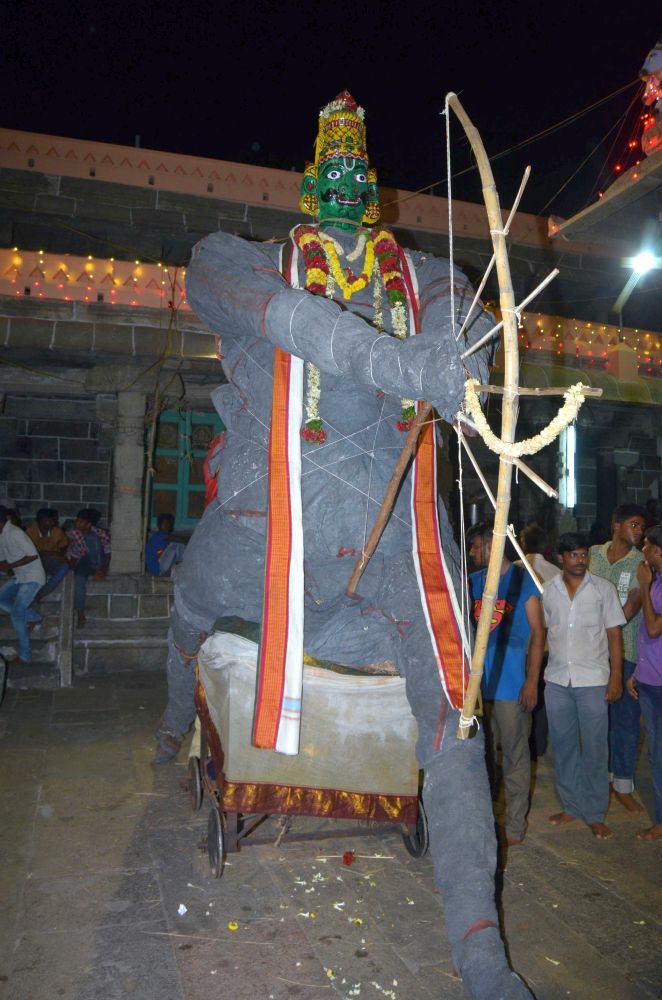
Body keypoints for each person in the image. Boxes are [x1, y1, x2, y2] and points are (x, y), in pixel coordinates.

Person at [156, 92, 532, 998]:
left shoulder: (428, 275)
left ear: (376, 189)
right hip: (263, 522)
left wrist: (463, 364)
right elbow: (278, 313)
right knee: (192, 602)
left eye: (357, 172)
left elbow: (469, 327)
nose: (344, 185)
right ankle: (170, 723)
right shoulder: (240, 257)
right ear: (306, 185)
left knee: (455, 713)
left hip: (395, 531)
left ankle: (481, 950)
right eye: (329, 172)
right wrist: (397, 363)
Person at [543, 532, 625, 839]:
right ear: (561, 558)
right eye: (573, 555)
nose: (580, 560)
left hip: (593, 681)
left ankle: (594, 812)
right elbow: (543, 633)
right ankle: (571, 805)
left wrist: (616, 676)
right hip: (557, 680)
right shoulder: (548, 591)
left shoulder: (603, 590)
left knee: (594, 748)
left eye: (583, 555)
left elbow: (614, 635)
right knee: (563, 747)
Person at [468, 523, 545, 846]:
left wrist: (532, 681)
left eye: (476, 546)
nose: (472, 552)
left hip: (511, 685)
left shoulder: (522, 580)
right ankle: (485, 820)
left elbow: (539, 633)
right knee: (482, 757)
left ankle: (514, 825)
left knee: (514, 756)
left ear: (491, 544)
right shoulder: (474, 582)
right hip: (479, 686)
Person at [589, 503, 646, 813]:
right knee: (598, 718)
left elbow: (633, 604)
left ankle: (622, 783)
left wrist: (607, 629)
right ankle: (601, 778)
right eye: (633, 525)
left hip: (627, 650)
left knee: (625, 719)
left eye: (641, 526)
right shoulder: (594, 555)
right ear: (616, 526)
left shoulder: (639, 562)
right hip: (593, 651)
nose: (639, 531)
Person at [627, 523, 662, 841]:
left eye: (648, 545)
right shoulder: (657, 579)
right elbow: (649, 640)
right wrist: (638, 671)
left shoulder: (653, 581)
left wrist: (645, 584)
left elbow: (653, 628)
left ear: (658, 550)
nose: (643, 550)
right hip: (650, 679)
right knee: (655, 752)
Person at [517, 523, 561, 759]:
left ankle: (522, 745)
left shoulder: (514, 569)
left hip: (520, 647)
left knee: (520, 696)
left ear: (522, 544)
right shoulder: (556, 573)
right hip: (547, 648)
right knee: (541, 697)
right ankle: (539, 744)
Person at [0, 505, 45, 665]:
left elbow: (32, 555)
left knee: (17, 614)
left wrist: (9, 566)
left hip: (33, 577)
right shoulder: (2, 535)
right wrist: (5, 565)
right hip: (20, 576)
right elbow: (2, 559)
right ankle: (34, 617)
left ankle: (25, 655)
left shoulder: (15, 533)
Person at [67, 509, 111, 628]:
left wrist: (103, 570)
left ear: (88, 524)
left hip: (99, 562)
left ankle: (97, 570)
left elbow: (107, 554)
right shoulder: (76, 534)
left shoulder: (99, 534)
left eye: (81, 522)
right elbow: (76, 553)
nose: (77, 524)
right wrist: (70, 569)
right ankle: (80, 614)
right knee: (78, 580)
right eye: (77, 521)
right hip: (86, 562)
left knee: (92, 538)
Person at [27, 508, 70, 599]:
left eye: (53, 520)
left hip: (51, 561)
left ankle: (41, 593)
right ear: (41, 521)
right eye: (49, 521)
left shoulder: (57, 532)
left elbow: (63, 550)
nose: (53, 523)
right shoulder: (30, 532)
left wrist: (58, 555)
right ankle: (32, 594)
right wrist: (50, 553)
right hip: (35, 561)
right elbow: (31, 553)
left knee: (65, 567)